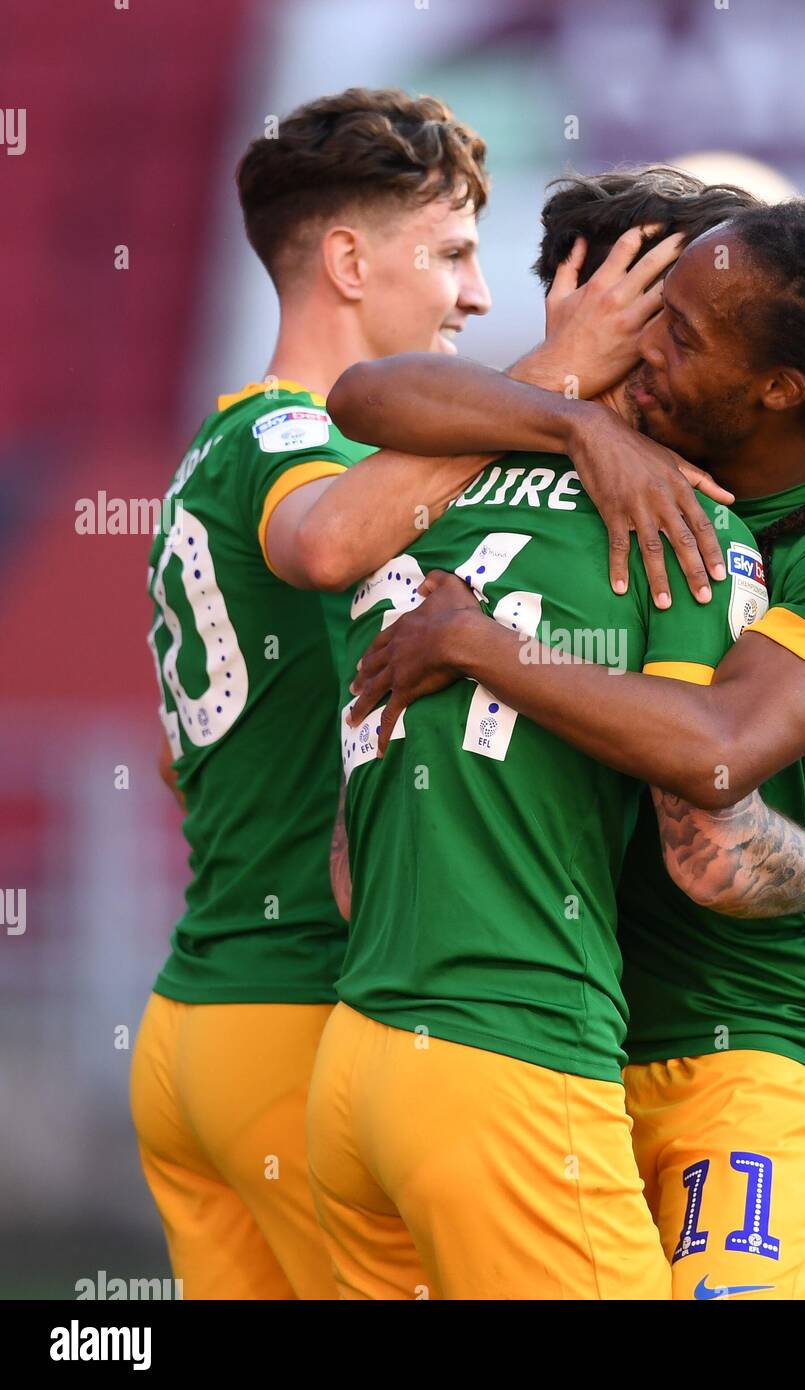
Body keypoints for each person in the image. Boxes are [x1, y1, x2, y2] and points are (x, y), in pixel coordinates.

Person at [335, 197, 805, 1299]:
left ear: (778, 389)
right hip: (592, 1036)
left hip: (761, 1050)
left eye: (681, 333)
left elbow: (723, 749)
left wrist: (484, 649)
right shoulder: (630, 432)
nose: (642, 345)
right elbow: (368, 394)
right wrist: (575, 418)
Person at [130, 86, 494, 1301]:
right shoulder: (296, 444)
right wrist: (560, 388)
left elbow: (192, 761)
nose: (478, 295)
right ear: (347, 259)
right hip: (290, 1019)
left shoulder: (208, 454)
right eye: (450, 253)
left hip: (200, 1019)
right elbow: (328, 546)